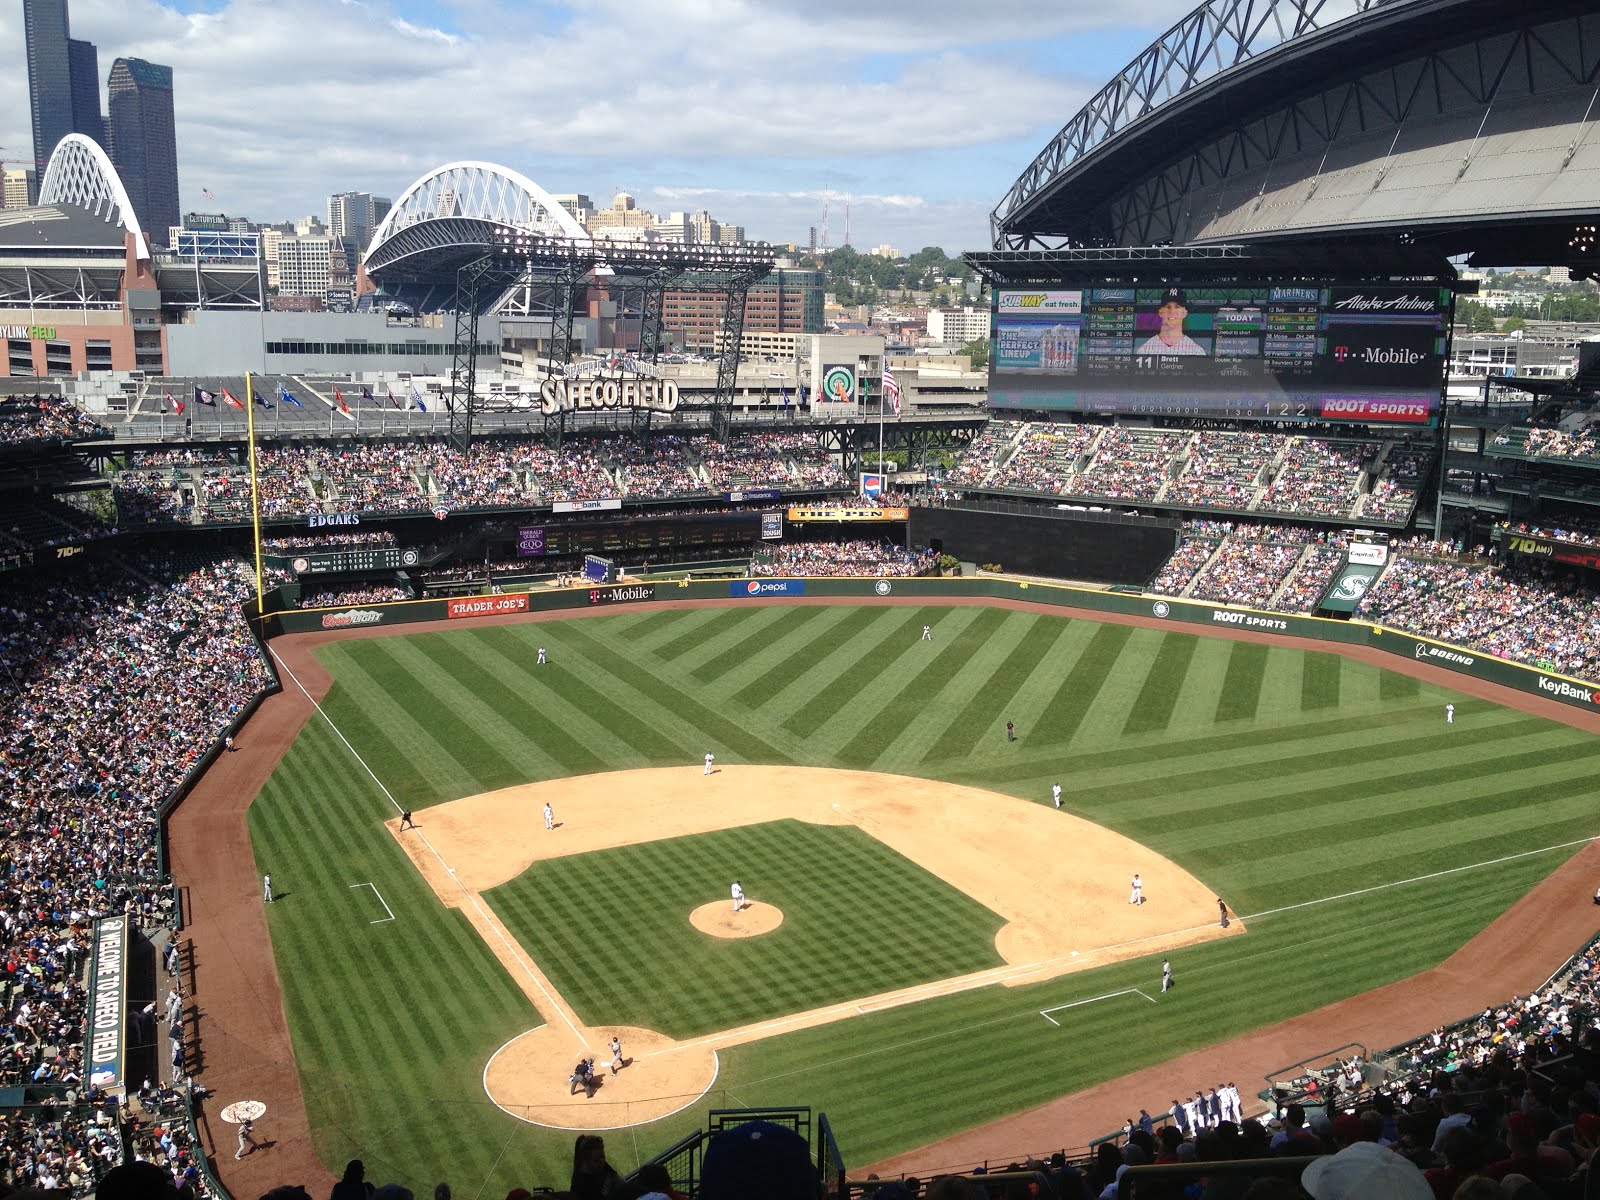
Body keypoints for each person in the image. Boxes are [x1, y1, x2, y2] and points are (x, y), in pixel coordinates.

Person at [1136, 288, 1207, 357]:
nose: (1172, 312)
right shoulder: (1145, 351)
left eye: (1177, 307)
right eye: (1168, 307)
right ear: (1160, 312)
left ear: (1184, 313)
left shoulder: (1196, 352)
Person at [570, 1133, 623, 1199]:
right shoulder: (582, 1186)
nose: (602, 1162)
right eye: (596, 1160)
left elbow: (616, 1177)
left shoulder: (599, 1164)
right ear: (585, 1161)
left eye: (603, 1157)